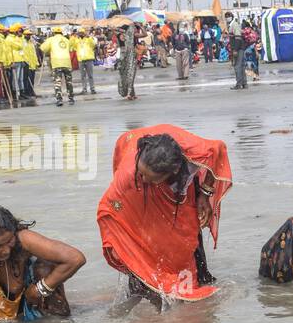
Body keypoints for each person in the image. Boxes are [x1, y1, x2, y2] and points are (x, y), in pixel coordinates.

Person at [98, 126, 234, 304]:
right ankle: (142, 279)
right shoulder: (131, 173)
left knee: (187, 234)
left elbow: (218, 151)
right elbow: (107, 209)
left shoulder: (195, 156)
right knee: (143, 228)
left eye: (151, 178)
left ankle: (191, 280)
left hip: (175, 181)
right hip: (134, 159)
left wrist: (205, 193)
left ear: (173, 171)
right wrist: (122, 246)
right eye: (142, 174)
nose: (144, 180)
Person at [40, 27, 75, 106]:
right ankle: (71, 98)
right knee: (69, 82)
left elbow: (43, 48)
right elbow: (71, 49)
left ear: (53, 33)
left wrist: (49, 50)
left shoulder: (51, 39)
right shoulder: (66, 40)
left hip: (57, 63)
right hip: (67, 63)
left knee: (57, 83)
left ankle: (59, 100)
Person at [117, 23, 138, 100]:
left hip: (131, 56)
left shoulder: (131, 36)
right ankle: (127, 93)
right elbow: (114, 30)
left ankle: (132, 93)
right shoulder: (121, 36)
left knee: (131, 75)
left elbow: (144, 34)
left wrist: (141, 27)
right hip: (123, 57)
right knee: (125, 76)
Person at [228, 18, 248, 90]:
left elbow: (238, 38)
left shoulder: (234, 25)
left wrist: (235, 50)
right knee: (241, 66)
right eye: (226, 16)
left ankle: (239, 84)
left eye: (228, 16)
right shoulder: (232, 25)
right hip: (240, 48)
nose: (227, 18)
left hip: (238, 49)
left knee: (237, 66)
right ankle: (244, 84)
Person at [76, 29, 98, 94]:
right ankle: (84, 89)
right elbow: (72, 45)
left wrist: (89, 37)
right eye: (80, 33)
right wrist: (74, 36)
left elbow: (94, 45)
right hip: (81, 60)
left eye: (82, 33)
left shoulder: (89, 39)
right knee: (83, 76)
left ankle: (92, 89)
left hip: (89, 60)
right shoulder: (77, 40)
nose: (81, 34)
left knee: (90, 75)